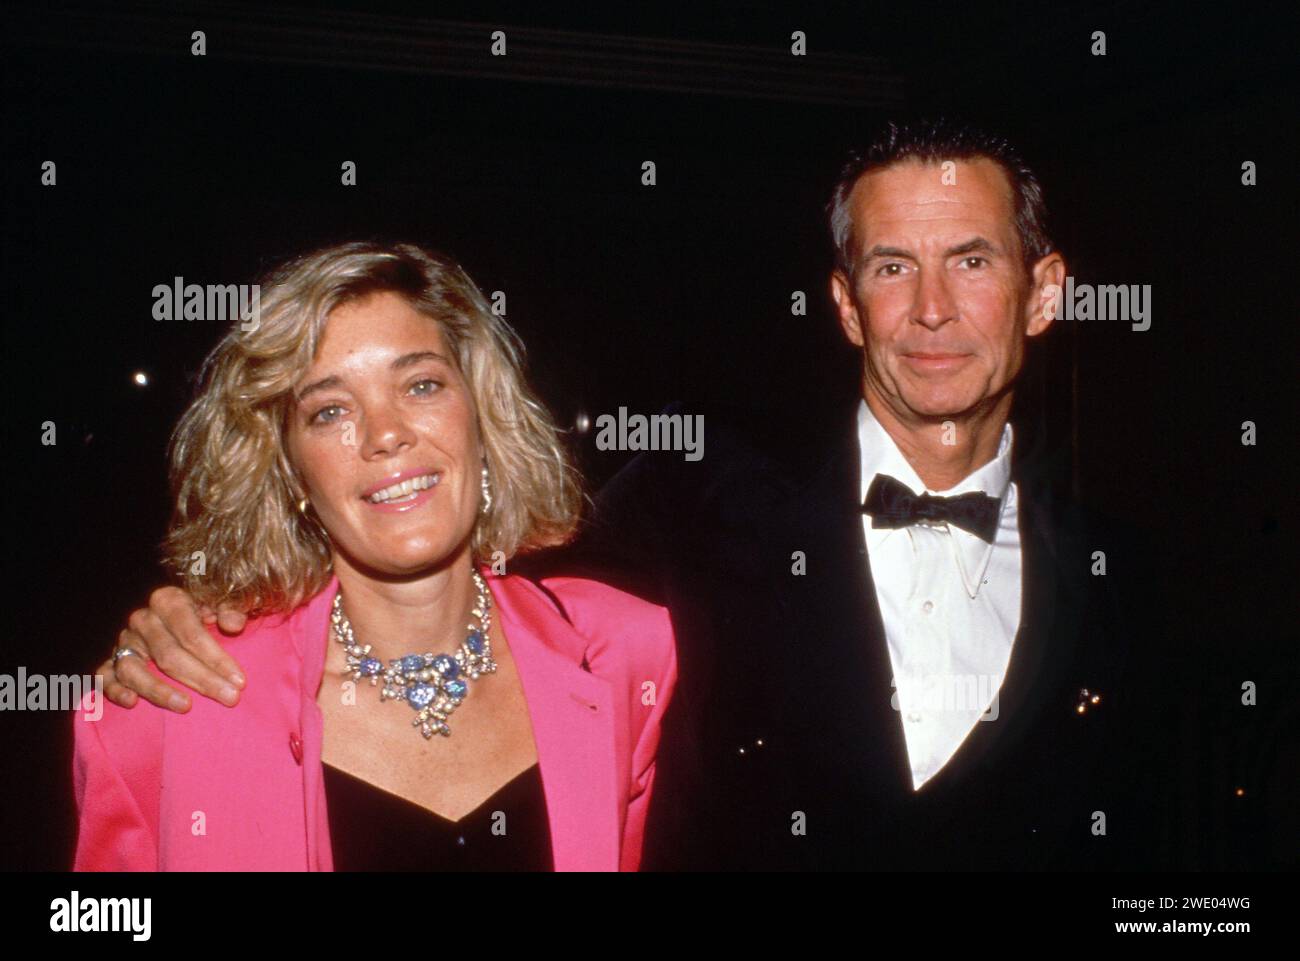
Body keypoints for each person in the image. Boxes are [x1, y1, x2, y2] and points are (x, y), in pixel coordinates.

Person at [99, 121, 1166, 870]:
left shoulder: (1129, 582)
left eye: (971, 259)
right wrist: (194, 613)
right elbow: (451, 546)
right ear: (844, 304)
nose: (931, 309)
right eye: (891, 266)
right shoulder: (686, 510)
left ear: (1046, 291)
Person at [73, 241, 676, 872]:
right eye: (330, 411)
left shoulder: (628, 656)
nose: (386, 434)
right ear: (291, 475)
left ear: (481, 419)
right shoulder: (167, 710)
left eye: (421, 385)